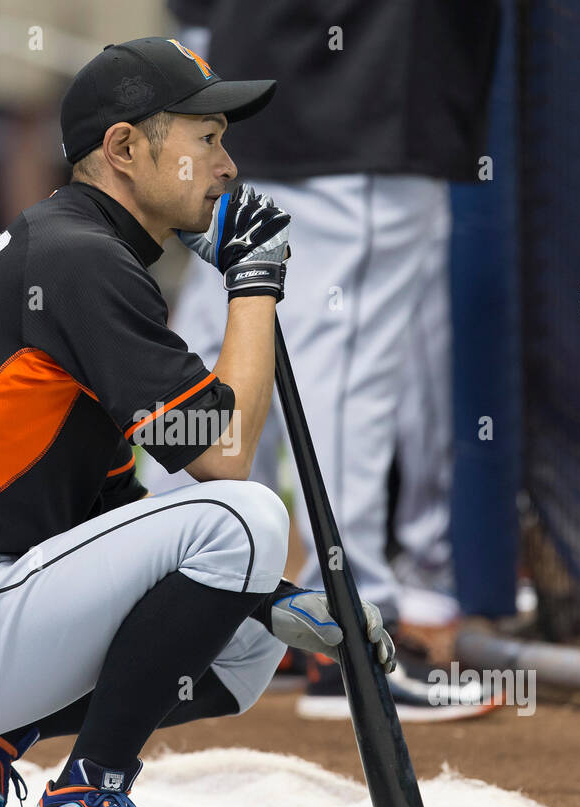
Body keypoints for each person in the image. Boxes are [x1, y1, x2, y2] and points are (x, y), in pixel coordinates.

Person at [0, 36, 394, 807]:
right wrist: (255, 283)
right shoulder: (82, 261)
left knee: (243, 644)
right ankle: (87, 796)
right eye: (206, 139)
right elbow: (224, 454)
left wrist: (276, 602)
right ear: (124, 148)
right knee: (247, 517)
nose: (227, 166)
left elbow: (116, 514)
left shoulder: (70, 249)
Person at [147, 0, 503, 721]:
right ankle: (350, 634)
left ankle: (176, 610)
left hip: (257, 89)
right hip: (358, 96)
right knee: (343, 375)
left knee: (223, 348)